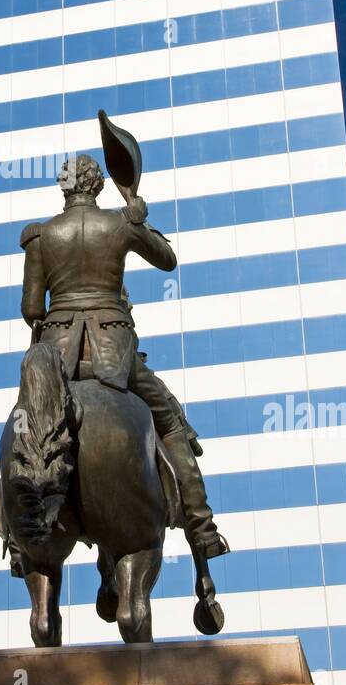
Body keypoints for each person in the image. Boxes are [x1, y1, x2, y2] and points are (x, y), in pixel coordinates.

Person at [18, 152, 229, 563]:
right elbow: (167, 260)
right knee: (169, 421)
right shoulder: (117, 223)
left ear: (64, 187)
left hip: (56, 352)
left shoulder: (40, 235)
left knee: (26, 421)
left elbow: (31, 309)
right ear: (96, 185)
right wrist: (137, 217)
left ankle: (17, 538)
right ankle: (202, 528)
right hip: (113, 348)